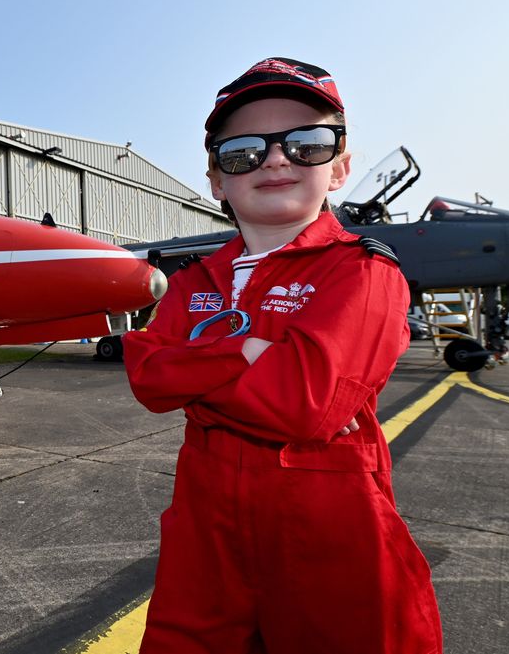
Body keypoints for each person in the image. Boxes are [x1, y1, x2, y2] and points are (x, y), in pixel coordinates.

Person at [123, 58, 443, 653]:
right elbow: (146, 376)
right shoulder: (194, 281)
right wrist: (248, 350)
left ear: (341, 167)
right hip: (204, 532)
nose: (275, 159)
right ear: (217, 180)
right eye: (242, 151)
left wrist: (197, 370)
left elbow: (304, 405)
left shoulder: (364, 271)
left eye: (307, 143)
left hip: (329, 528)